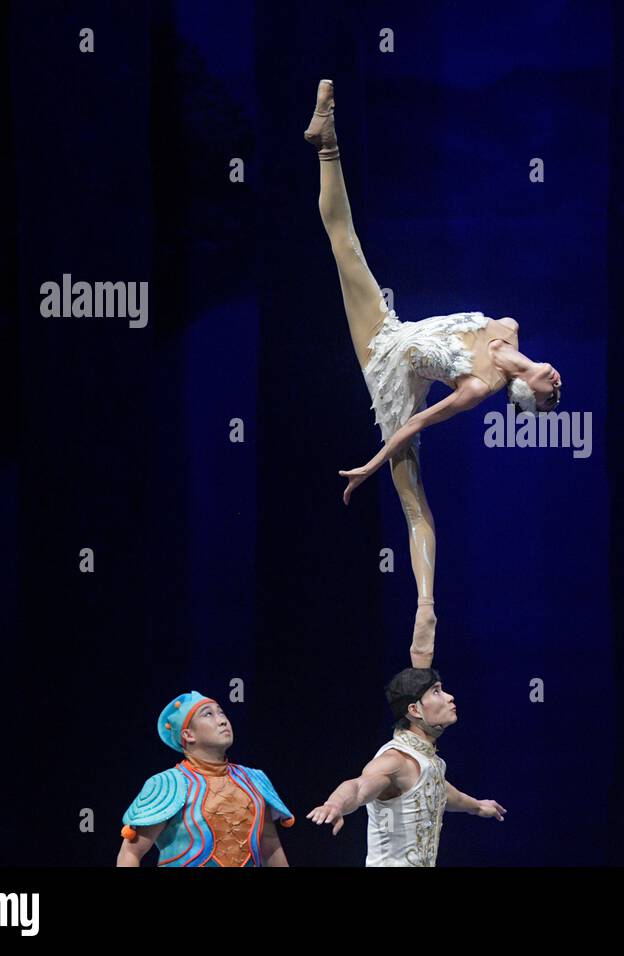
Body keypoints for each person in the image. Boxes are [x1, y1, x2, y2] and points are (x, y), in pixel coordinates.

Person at [305, 78, 563, 667]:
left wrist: (372, 464)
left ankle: (425, 607)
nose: (558, 384)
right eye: (557, 388)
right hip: (393, 333)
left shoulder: (479, 389)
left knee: (413, 501)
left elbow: (416, 420)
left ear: (524, 393)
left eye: (551, 396)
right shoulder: (510, 327)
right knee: (345, 244)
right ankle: (326, 138)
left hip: (387, 374)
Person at [306, 668, 505, 866]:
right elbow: (358, 787)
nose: (450, 697)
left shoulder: (428, 761)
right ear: (415, 710)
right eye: (436, 691)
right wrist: (335, 804)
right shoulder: (396, 760)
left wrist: (477, 806)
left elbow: (440, 790)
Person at [116, 691, 293, 867]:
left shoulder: (254, 780)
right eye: (208, 714)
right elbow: (130, 853)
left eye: (221, 712)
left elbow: (271, 848)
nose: (223, 720)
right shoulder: (168, 784)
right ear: (188, 735)